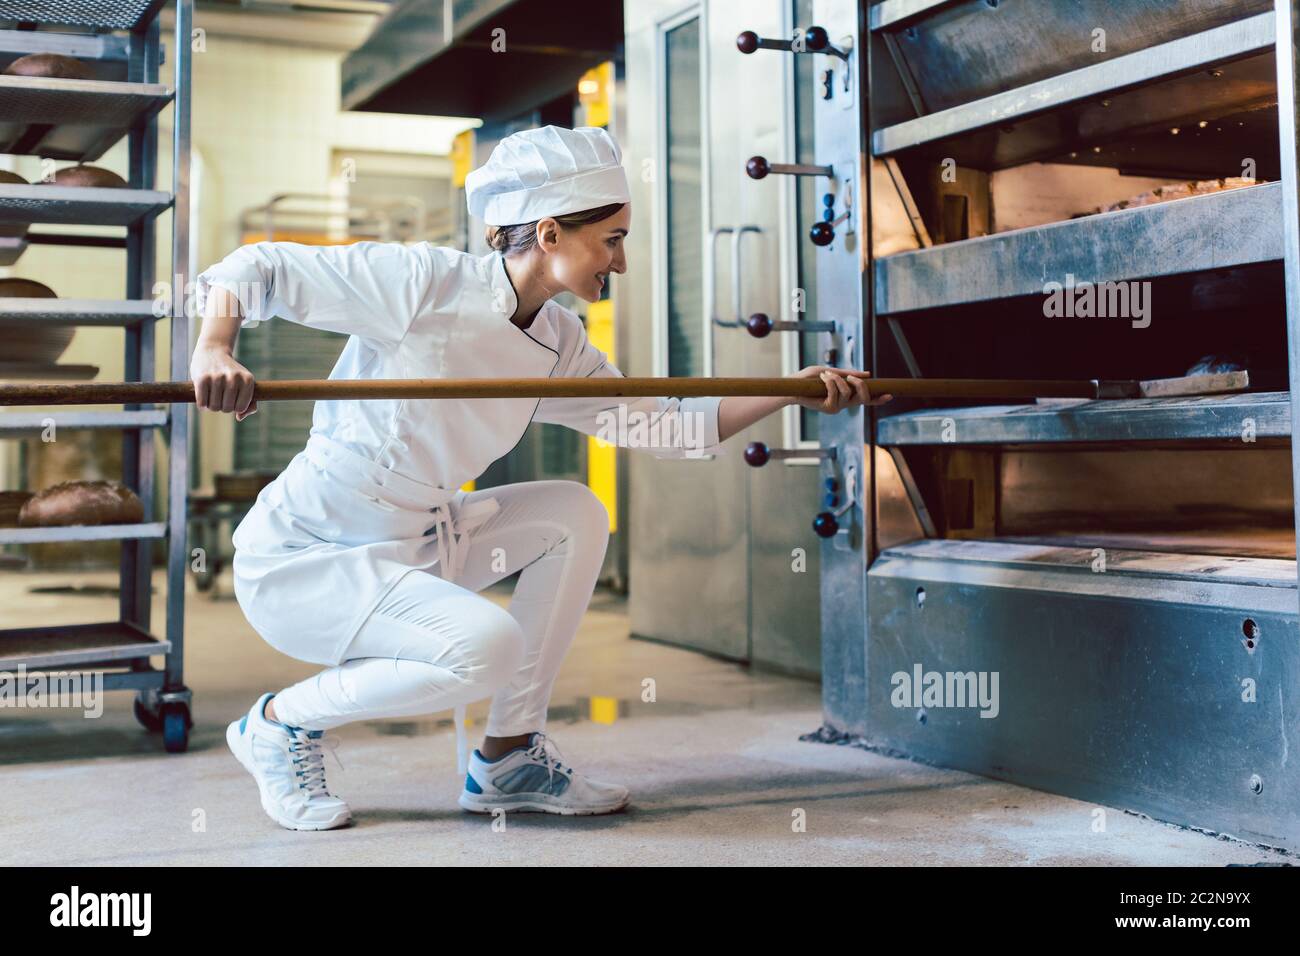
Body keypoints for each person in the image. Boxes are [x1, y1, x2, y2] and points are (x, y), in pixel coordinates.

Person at [191, 125, 889, 830]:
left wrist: (791, 390)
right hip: (312, 556)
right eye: (611, 239)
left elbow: (664, 427)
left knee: (575, 513)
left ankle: (508, 757)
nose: (619, 261)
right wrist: (214, 350)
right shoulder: (423, 283)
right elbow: (255, 269)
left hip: (419, 540)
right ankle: (278, 723)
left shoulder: (559, 343)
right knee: (485, 648)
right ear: (551, 233)